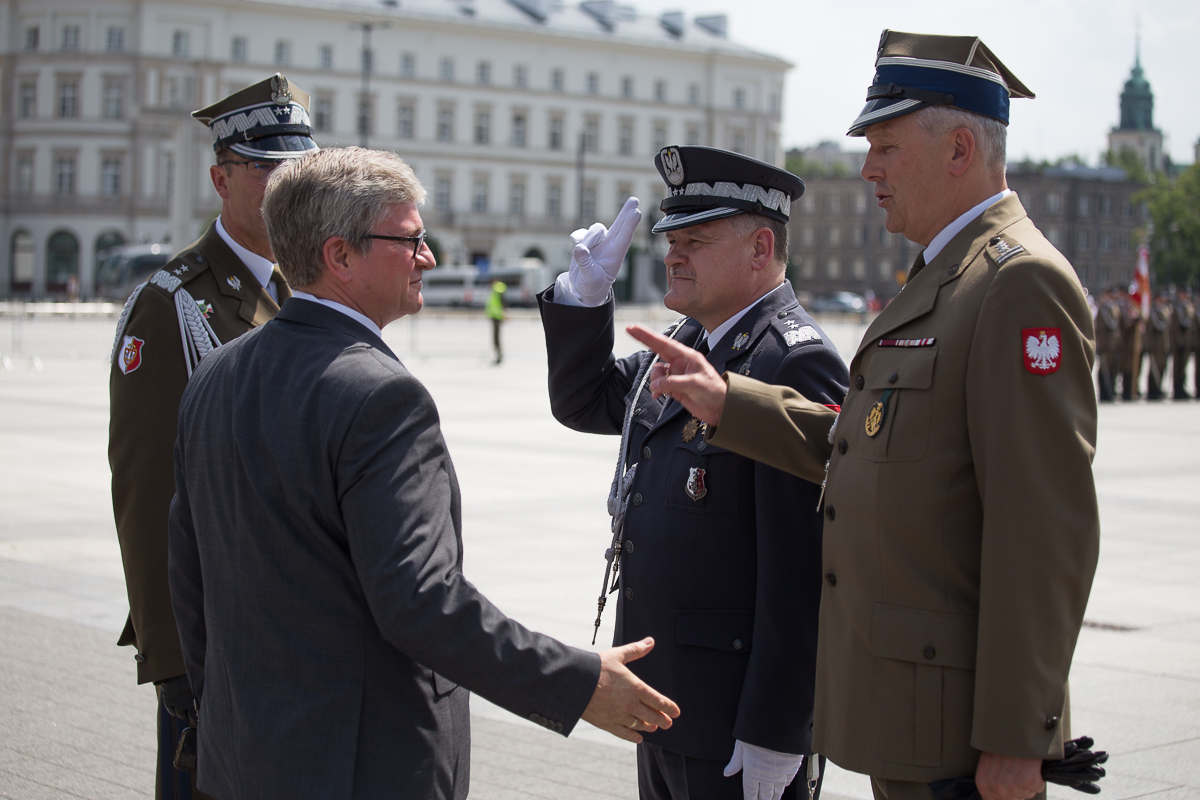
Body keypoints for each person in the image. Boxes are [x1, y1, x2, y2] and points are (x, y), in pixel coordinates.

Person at [627, 30, 1100, 800]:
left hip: (961, 733)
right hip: (908, 715)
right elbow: (868, 447)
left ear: (958, 150)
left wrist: (1020, 738)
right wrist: (727, 401)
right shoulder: (942, 277)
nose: (866, 169)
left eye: (884, 146)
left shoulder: (1018, 284)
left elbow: (1044, 530)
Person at [166, 147, 679, 800]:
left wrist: (219, 718)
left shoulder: (214, 373)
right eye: (410, 241)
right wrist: (578, 685)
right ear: (339, 256)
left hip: (241, 760)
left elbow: (188, 577)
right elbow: (421, 603)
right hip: (358, 770)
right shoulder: (380, 396)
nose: (428, 259)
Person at [537, 146, 849, 800]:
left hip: (736, 721)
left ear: (760, 248)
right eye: (670, 239)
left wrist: (779, 727)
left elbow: (804, 568)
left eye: (695, 240)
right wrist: (585, 300)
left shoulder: (791, 362)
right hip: (664, 700)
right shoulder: (686, 347)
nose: (672, 254)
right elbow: (585, 400)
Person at [108, 72, 316, 800]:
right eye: (265, 171)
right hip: (214, 642)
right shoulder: (174, 302)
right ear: (221, 179)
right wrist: (174, 662)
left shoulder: (304, 290)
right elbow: (146, 491)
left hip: (288, 631)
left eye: (298, 172)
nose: (286, 187)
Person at [1094, 286, 1123, 402]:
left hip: (1114, 343)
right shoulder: (1103, 309)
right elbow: (1100, 329)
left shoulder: (1115, 307)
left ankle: (1111, 390)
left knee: (1113, 368)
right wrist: (1100, 345)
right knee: (1104, 369)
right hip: (1106, 345)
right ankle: (1104, 393)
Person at [486, 278, 507, 364]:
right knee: (496, 337)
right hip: (495, 315)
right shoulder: (495, 288)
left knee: (496, 337)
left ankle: (499, 355)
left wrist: (504, 313)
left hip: (497, 316)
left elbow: (503, 300)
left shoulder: (498, 287)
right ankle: (498, 354)